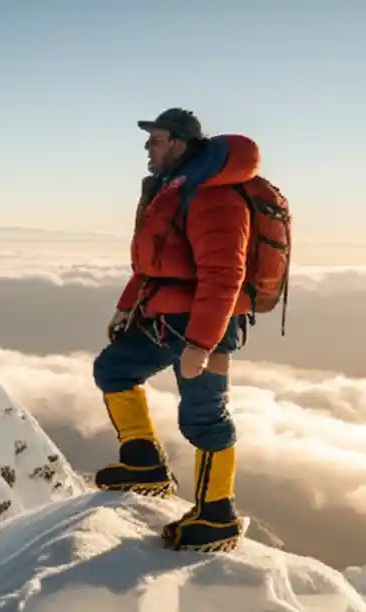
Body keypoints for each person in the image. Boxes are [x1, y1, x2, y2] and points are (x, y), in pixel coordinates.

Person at [93, 108, 261, 552]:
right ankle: (145, 465)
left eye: (156, 140)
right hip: (164, 318)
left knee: (204, 416)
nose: (147, 149)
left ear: (181, 144)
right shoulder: (173, 190)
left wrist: (201, 344)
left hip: (205, 326)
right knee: (114, 369)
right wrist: (125, 307)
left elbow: (224, 275)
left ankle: (217, 515)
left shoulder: (215, 198)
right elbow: (154, 263)